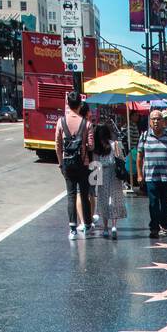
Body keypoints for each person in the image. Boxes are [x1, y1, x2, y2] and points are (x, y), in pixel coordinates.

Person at [56, 90, 94, 240]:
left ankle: (72, 228)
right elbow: (91, 146)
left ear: (68, 104)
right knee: (84, 195)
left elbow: (57, 145)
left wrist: (61, 164)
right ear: (80, 104)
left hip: (68, 163)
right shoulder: (87, 124)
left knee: (71, 195)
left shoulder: (61, 122)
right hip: (83, 163)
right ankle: (87, 224)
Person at [137, 108, 167, 238]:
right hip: (151, 176)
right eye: (153, 119)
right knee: (153, 203)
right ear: (150, 122)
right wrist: (139, 175)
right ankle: (154, 227)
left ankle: (165, 224)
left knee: (165, 203)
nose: (156, 121)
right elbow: (139, 157)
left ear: (163, 122)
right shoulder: (144, 136)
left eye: (158, 119)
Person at [91, 120, 127, 238]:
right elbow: (121, 158)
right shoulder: (114, 144)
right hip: (114, 175)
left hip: (102, 174)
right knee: (114, 200)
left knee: (103, 201)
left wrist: (93, 182)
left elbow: (94, 165)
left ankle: (105, 228)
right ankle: (114, 226)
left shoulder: (96, 149)